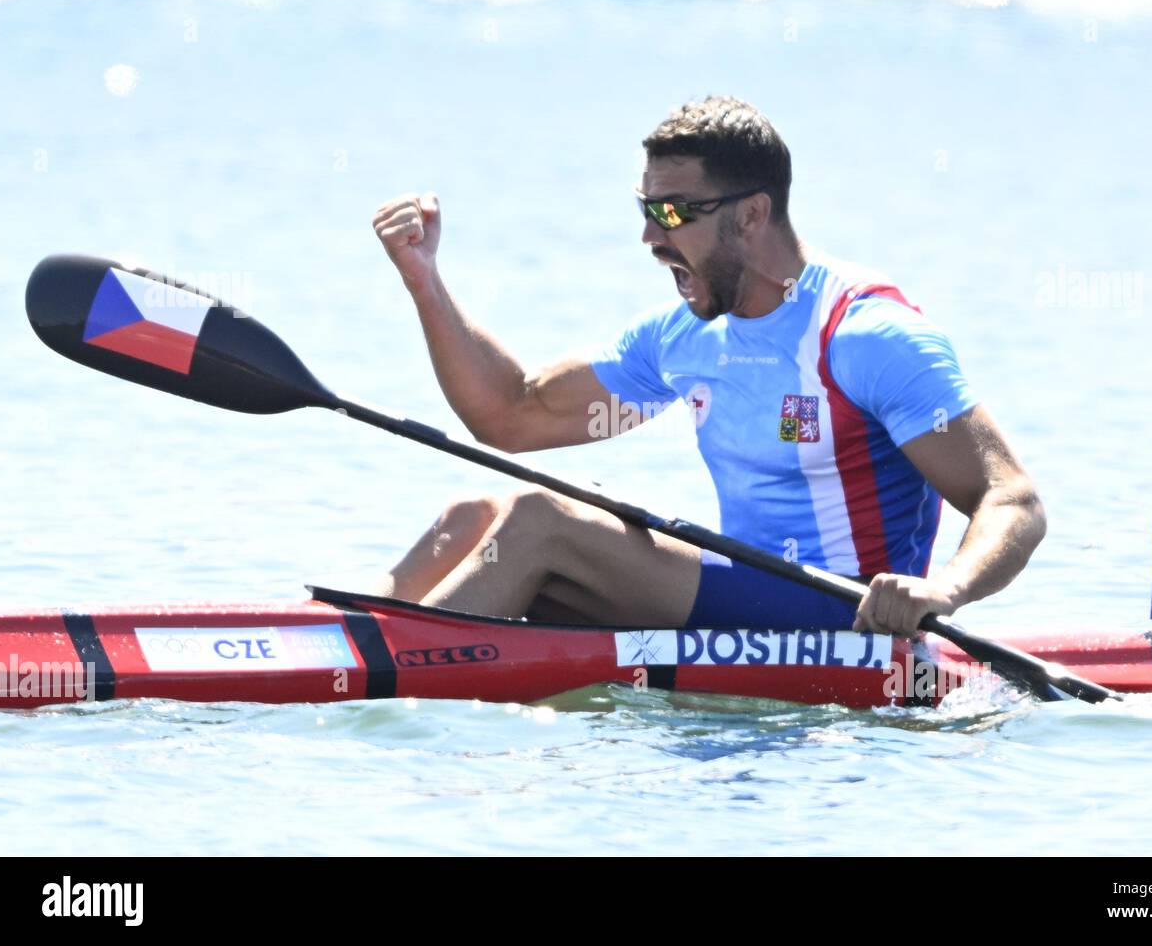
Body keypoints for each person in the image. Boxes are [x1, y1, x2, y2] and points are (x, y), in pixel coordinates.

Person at [371, 95, 1046, 636]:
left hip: (847, 617)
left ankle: (394, 671)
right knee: (475, 516)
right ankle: (334, 638)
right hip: (745, 596)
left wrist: (943, 589)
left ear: (752, 215)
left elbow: (1011, 498)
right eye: (645, 209)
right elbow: (509, 415)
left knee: (540, 520)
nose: (649, 236)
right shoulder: (686, 337)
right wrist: (425, 283)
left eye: (673, 213)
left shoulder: (866, 337)